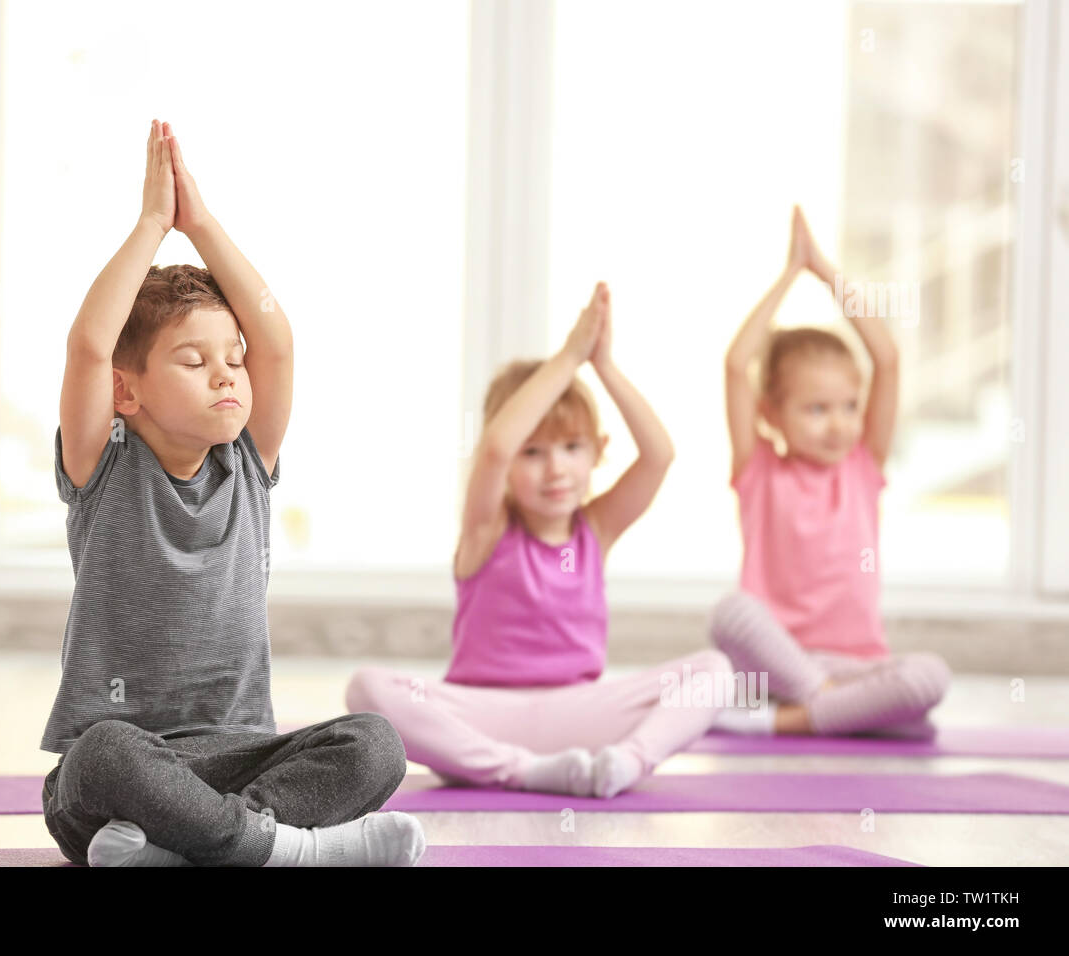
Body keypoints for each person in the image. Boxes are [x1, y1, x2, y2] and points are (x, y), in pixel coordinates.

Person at [39, 119, 424, 866]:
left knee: (375, 744)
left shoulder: (248, 463)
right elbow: (89, 343)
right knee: (105, 753)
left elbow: (276, 340)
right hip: (123, 774)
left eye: (231, 360)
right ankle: (287, 851)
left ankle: (201, 845)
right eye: (193, 359)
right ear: (127, 391)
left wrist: (204, 224)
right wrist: (155, 224)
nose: (227, 374)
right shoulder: (104, 468)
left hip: (245, 760)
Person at [347, 282, 734, 798]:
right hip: (483, 718)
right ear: (509, 465)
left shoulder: (596, 529)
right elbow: (494, 448)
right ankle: (520, 771)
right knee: (366, 689)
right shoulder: (487, 530)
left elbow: (659, 454)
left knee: (715, 671)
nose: (556, 470)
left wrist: (604, 365)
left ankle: (627, 763)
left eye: (571, 448)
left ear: (597, 451)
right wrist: (570, 356)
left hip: (581, 715)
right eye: (533, 453)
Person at [709, 205, 950, 739]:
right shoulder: (759, 471)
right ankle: (835, 710)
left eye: (848, 406)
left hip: (852, 663)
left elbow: (886, 357)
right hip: (776, 663)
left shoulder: (864, 467)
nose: (838, 425)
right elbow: (735, 364)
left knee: (929, 677)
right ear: (770, 414)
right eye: (816, 410)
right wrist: (789, 276)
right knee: (731, 613)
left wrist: (826, 272)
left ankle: (790, 720)